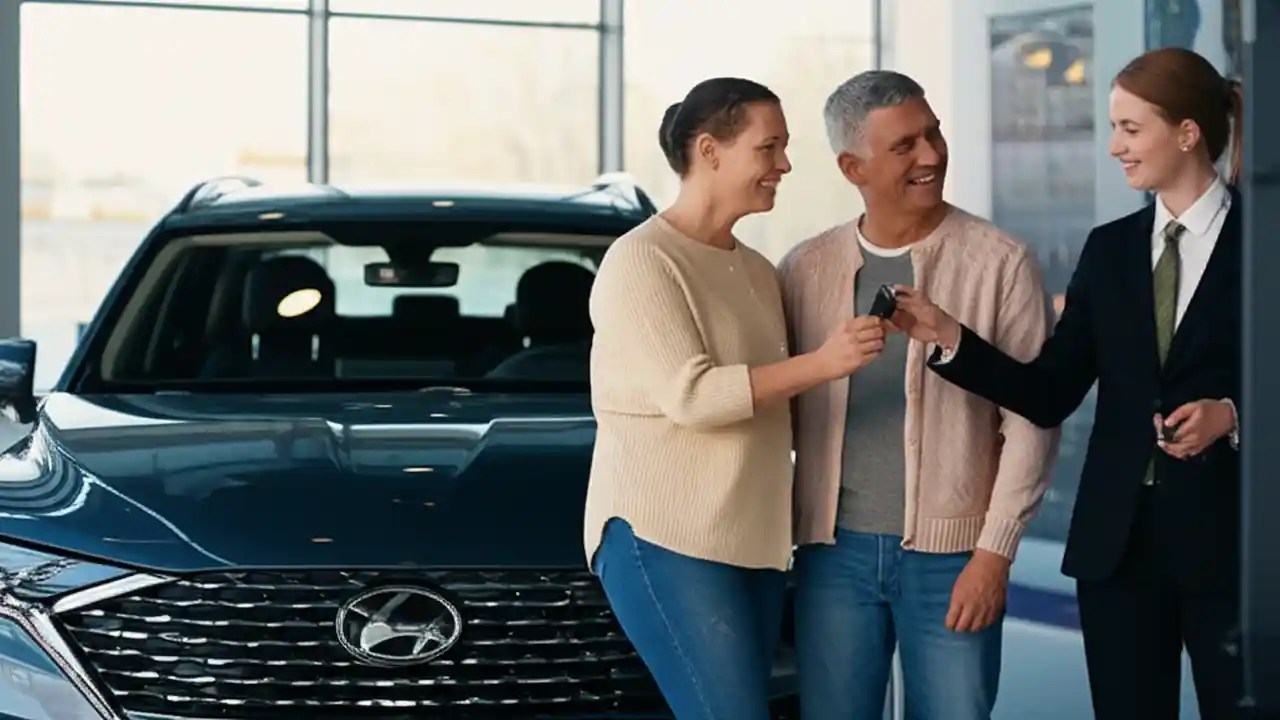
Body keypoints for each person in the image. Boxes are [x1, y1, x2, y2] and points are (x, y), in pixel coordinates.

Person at [891, 47, 1245, 720]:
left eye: (1130, 129)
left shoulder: (1265, 241)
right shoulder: (1109, 250)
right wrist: (948, 337)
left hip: (1236, 548)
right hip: (1119, 551)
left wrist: (1234, 415)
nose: (1114, 147)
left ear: (1188, 132)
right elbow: (1050, 391)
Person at [582, 77, 885, 720]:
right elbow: (692, 395)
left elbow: (782, 404)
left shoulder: (755, 270)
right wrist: (825, 362)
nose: (784, 165)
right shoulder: (642, 261)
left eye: (784, 148)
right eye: (768, 147)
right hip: (664, 537)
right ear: (710, 151)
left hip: (753, 542)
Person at [778, 69, 1060, 720]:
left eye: (932, 134)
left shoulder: (1000, 262)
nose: (931, 155)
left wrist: (993, 554)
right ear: (853, 166)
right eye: (904, 145)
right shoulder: (804, 269)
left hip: (956, 557)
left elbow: (1031, 420)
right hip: (831, 556)